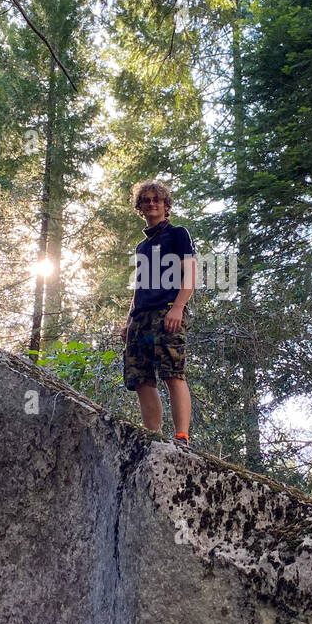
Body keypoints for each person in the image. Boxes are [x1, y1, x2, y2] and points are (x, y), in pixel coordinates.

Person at [120, 180, 195, 445]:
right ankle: (152, 438)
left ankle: (182, 438)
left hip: (167, 312)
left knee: (172, 373)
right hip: (141, 317)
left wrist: (177, 308)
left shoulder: (178, 234)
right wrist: (129, 320)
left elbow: (191, 275)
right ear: (140, 207)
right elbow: (140, 285)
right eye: (146, 200)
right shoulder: (141, 247)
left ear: (165, 205)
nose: (152, 203)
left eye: (157, 199)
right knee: (140, 379)